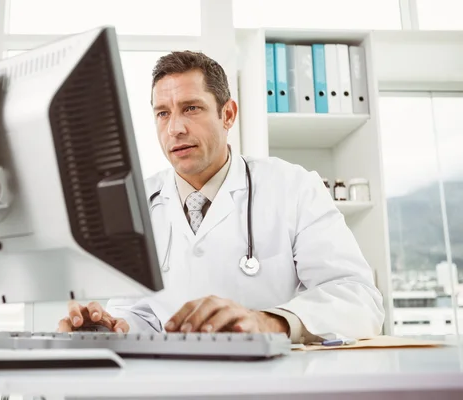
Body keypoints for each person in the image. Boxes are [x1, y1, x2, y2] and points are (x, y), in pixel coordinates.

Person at [57, 51, 385, 344]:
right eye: (162, 113)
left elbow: (359, 298)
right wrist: (111, 329)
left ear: (227, 115)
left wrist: (271, 322)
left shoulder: (293, 187)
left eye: (191, 108)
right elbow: (138, 313)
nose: (175, 129)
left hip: (269, 384)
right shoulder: (138, 201)